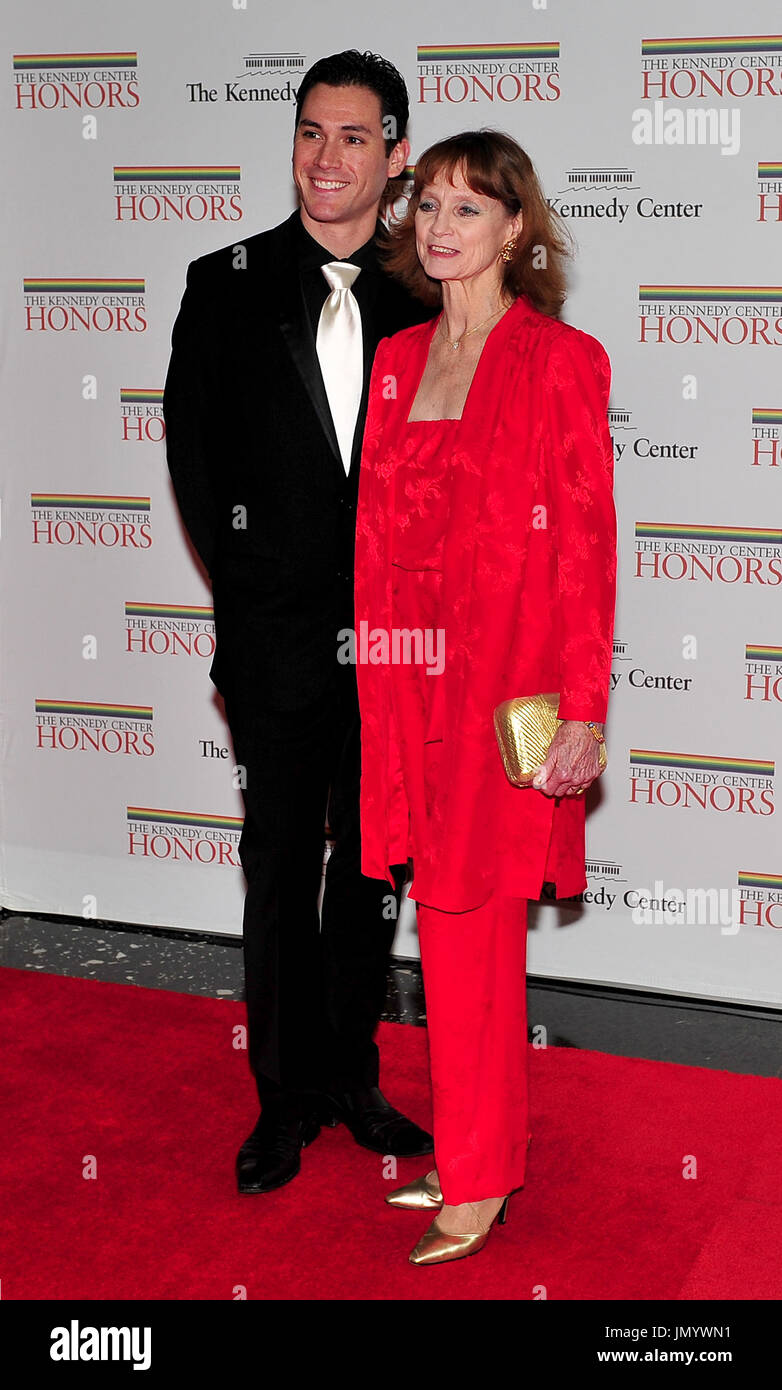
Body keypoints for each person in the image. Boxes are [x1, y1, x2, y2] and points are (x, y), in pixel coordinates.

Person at [163, 50, 435, 1196]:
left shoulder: (425, 294)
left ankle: (349, 1074)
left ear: (395, 156)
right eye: (310, 132)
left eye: (353, 137)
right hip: (274, 642)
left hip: (394, 646)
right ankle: (281, 1095)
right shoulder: (223, 283)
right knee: (277, 863)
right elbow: (195, 464)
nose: (327, 158)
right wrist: (253, 603)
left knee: (372, 868)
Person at [354, 130, 616, 1264]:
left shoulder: (558, 360)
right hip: (404, 677)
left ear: (516, 229)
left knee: (472, 929)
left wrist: (584, 707)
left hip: (501, 682)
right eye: (427, 204)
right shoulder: (398, 359)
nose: (441, 225)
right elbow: (374, 537)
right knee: (443, 922)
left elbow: (586, 547)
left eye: (469, 207)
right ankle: (474, 1150)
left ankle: (479, 1175)